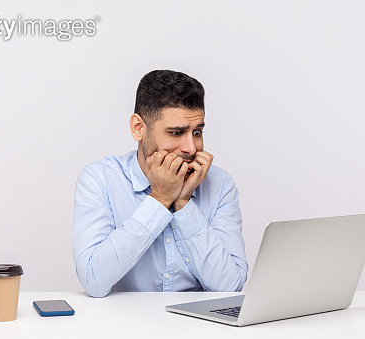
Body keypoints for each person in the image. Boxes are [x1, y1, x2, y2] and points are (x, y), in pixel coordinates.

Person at [72, 70, 248, 297]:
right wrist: (160, 199)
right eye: (176, 133)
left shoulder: (220, 185)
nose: (191, 148)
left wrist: (183, 203)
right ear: (139, 128)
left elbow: (230, 287)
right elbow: (93, 280)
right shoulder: (100, 180)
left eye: (197, 132)